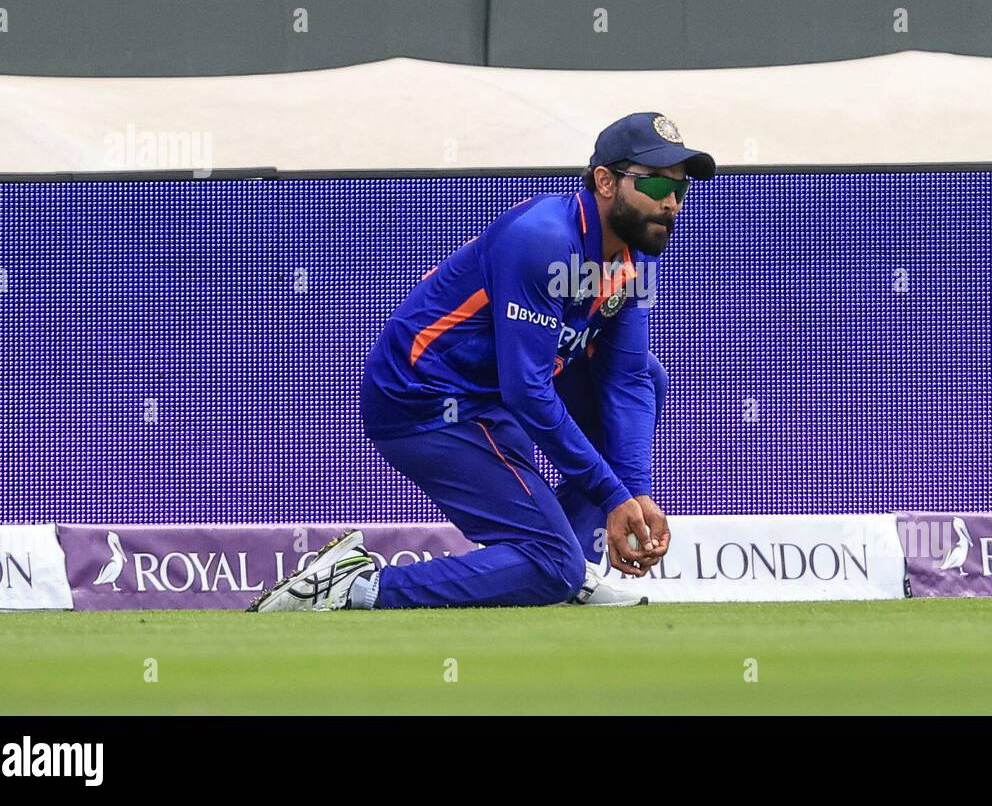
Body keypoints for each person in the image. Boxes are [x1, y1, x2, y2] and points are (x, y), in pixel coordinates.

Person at [248, 112, 715, 612]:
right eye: (658, 182)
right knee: (551, 561)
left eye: (681, 189)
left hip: (493, 391)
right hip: (424, 400)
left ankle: (567, 569)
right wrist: (610, 496)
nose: (671, 202)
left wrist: (634, 496)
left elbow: (625, 380)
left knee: (648, 374)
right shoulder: (543, 239)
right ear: (605, 181)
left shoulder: (635, 253)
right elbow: (528, 393)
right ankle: (351, 586)